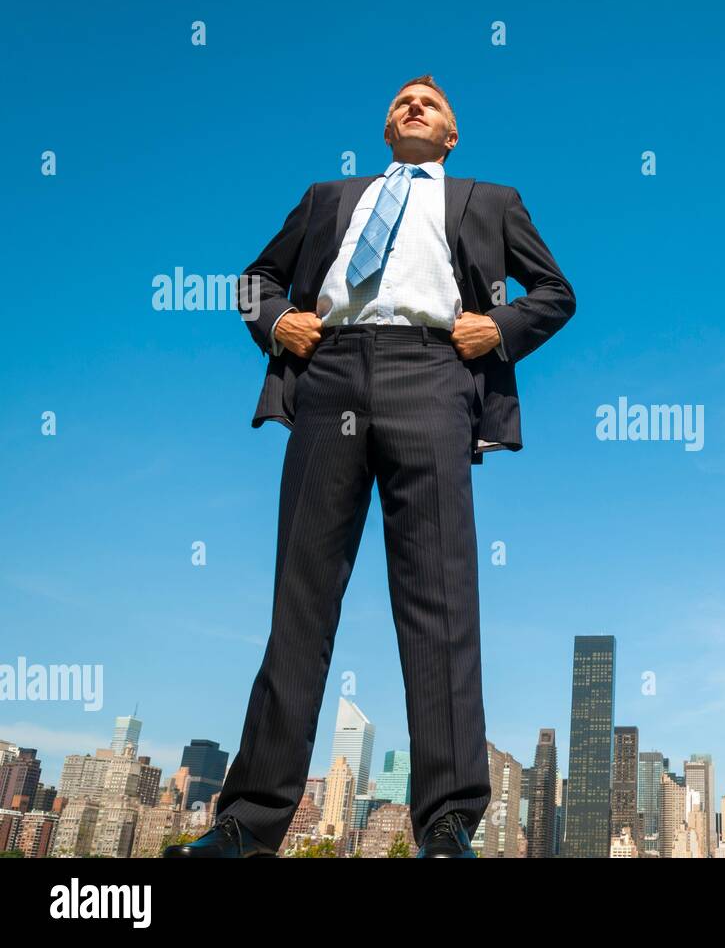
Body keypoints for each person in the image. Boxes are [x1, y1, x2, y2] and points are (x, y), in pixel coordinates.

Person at [164, 74, 576, 858]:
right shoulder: (328, 197)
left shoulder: (492, 200)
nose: (413, 105)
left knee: (441, 599)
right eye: (400, 102)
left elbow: (557, 292)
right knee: (301, 599)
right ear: (387, 130)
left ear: (451, 135)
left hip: (435, 374)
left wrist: (499, 326)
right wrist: (276, 320)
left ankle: (447, 824)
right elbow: (254, 280)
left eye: (431, 103)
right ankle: (247, 825)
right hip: (330, 372)